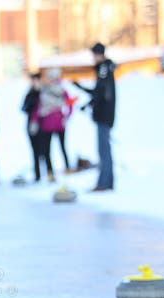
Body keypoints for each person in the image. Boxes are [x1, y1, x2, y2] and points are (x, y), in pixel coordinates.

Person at [74, 42, 116, 191]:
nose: (93, 58)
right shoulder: (105, 69)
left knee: (103, 150)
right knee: (105, 150)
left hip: (104, 116)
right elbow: (99, 92)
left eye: (94, 54)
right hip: (104, 115)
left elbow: (101, 93)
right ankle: (106, 182)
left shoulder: (104, 69)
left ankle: (104, 183)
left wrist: (91, 103)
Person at [36, 68, 68, 182]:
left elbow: (69, 104)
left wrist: (66, 117)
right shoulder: (43, 90)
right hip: (47, 124)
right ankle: (50, 172)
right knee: (46, 150)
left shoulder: (60, 91)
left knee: (62, 147)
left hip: (58, 123)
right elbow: (38, 108)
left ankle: (67, 168)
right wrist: (35, 121)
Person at [21, 72, 45, 182]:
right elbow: (24, 107)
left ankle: (49, 172)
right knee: (35, 151)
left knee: (44, 150)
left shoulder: (44, 92)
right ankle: (37, 174)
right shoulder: (30, 93)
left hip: (43, 125)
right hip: (31, 124)